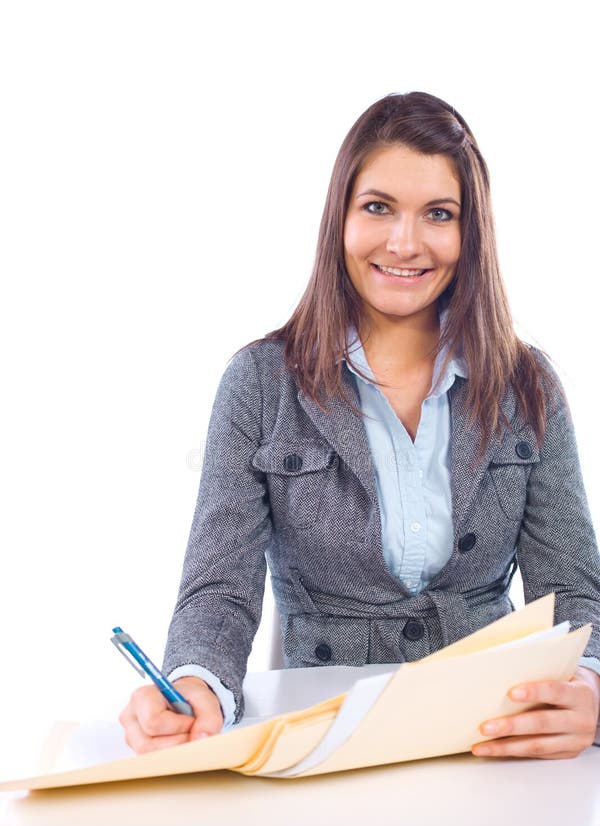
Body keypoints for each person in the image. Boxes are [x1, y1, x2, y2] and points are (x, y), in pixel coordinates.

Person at [119, 91, 600, 760]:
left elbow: (573, 591)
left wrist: (587, 684)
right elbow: (218, 593)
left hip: (490, 736)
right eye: (378, 207)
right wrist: (194, 684)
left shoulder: (527, 384)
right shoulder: (260, 383)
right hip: (323, 737)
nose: (405, 243)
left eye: (439, 214)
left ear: (472, 233)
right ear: (339, 219)